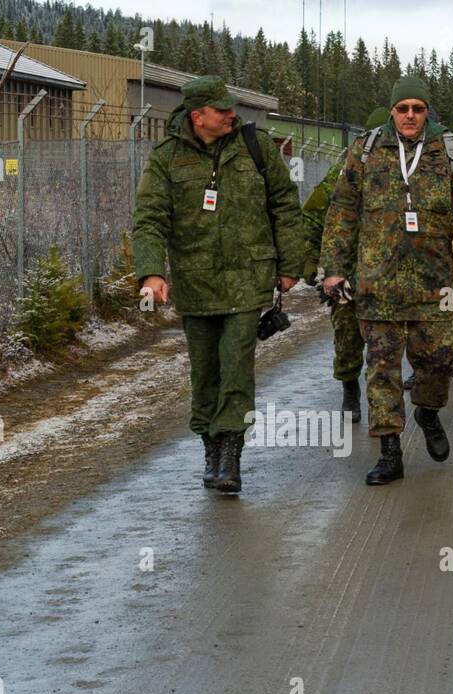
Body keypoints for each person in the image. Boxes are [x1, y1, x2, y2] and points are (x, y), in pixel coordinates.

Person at [134, 76, 302, 493]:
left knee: (237, 368)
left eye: (232, 108)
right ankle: (210, 445)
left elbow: (284, 204)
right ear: (198, 116)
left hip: (248, 279)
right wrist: (152, 273)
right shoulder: (167, 158)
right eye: (222, 109)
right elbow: (150, 218)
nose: (232, 114)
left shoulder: (255, 147)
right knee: (204, 371)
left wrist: (292, 262)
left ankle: (231, 454)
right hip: (195, 283)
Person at [322, 76, 453, 485]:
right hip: (379, 284)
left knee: (440, 364)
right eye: (402, 108)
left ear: (427, 111)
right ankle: (389, 451)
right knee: (381, 370)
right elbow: (342, 211)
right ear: (392, 110)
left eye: (418, 108)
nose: (410, 115)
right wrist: (335, 269)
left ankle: (427, 412)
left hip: (437, 282)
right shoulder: (367, 149)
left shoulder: (449, 151)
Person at [303, 107, 391, 423]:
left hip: (383, 272)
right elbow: (314, 217)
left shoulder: (399, 171)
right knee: (346, 333)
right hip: (345, 270)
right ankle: (350, 390)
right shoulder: (343, 172)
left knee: (384, 340)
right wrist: (313, 265)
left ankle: (382, 400)